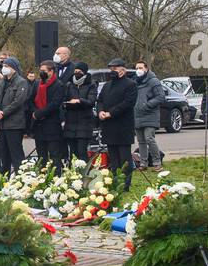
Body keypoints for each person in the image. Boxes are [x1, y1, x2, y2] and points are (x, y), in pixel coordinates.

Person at [96, 58, 138, 191]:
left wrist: (111, 113)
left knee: (124, 158)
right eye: (111, 69)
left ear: (123, 69)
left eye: (115, 68)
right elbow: (100, 100)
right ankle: (114, 181)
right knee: (113, 158)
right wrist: (100, 111)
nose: (112, 71)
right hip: (109, 126)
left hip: (123, 126)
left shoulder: (130, 84)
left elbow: (128, 103)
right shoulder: (107, 85)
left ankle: (125, 184)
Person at [0, 57, 31, 173]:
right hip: (2, 124)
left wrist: (4, 112)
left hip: (14, 124)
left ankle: (21, 176)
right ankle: (5, 176)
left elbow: (18, 102)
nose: (4, 68)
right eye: (3, 66)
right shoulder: (2, 81)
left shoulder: (21, 82)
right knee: (4, 153)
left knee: (16, 152)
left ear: (14, 68)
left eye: (7, 66)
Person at [29, 60, 67, 174]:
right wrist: (34, 112)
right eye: (40, 71)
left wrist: (39, 113)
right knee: (41, 156)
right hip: (38, 125)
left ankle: (56, 178)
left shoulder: (59, 85)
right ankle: (42, 179)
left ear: (51, 71)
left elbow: (55, 104)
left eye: (44, 71)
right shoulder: (37, 83)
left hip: (52, 124)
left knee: (55, 155)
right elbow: (30, 100)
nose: (41, 73)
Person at [61, 61, 98, 164]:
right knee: (73, 152)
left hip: (84, 123)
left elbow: (91, 101)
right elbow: (64, 99)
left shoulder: (91, 84)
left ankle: (84, 173)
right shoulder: (69, 84)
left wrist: (79, 101)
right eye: (75, 71)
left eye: (79, 71)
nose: (77, 73)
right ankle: (73, 174)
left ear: (85, 72)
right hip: (71, 122)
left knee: (82, 152)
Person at [133, 59, 165, 170]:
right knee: (141, 141)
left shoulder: (154, 81)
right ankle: (143, 163)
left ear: (146, 68)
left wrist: (147, 105)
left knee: (149, 138)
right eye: (136, 68)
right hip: (137, 115)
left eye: (140, 68)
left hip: (150, 114)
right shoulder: (135, 82)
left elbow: (161, 97)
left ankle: (157, 162)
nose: (138, 70)